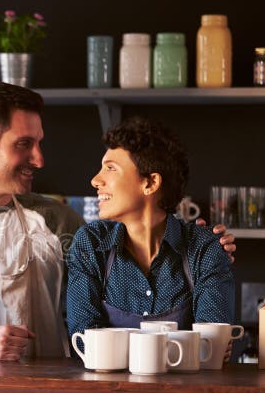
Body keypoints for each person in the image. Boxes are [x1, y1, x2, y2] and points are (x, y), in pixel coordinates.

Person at [0, 81, 235, 361]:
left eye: (39, 143)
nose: (40, 159)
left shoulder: (59, 221)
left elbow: (133, 253)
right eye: (24, 144)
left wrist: (198, 246)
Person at [66, 117, 235, 335]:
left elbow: (212, 345)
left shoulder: (203, 248)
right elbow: (83, 339)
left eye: (110, 168)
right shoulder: (91, 243)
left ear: (150, 183)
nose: (95, 180)